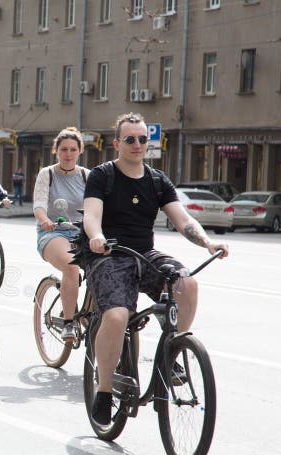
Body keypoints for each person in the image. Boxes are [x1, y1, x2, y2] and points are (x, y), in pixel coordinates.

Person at [82, 112, 230, 426]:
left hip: (144, 254)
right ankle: (105, 390)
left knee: (186, 283)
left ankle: (174, 350)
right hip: (109, 255)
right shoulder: (102, 175)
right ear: (117, 143)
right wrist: (96, 237)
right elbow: (91, 215)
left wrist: (207, 243)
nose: (137, 145)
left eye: (142, 139)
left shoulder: (157, 179)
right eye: (130, 139)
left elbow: (183, 220)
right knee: (117, 315)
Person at [33, 127, 89, 343]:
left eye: (73, 149)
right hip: (53, 232)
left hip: (82, 233)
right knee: (71, 265)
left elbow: (98, 207)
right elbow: (38, 204)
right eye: (64, 149)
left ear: (79, 151)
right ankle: (69, 322)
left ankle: (93, 314)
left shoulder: (87, 176)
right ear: (56, 151)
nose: (68, 154)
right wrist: (44, 219)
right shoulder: (47, 174)